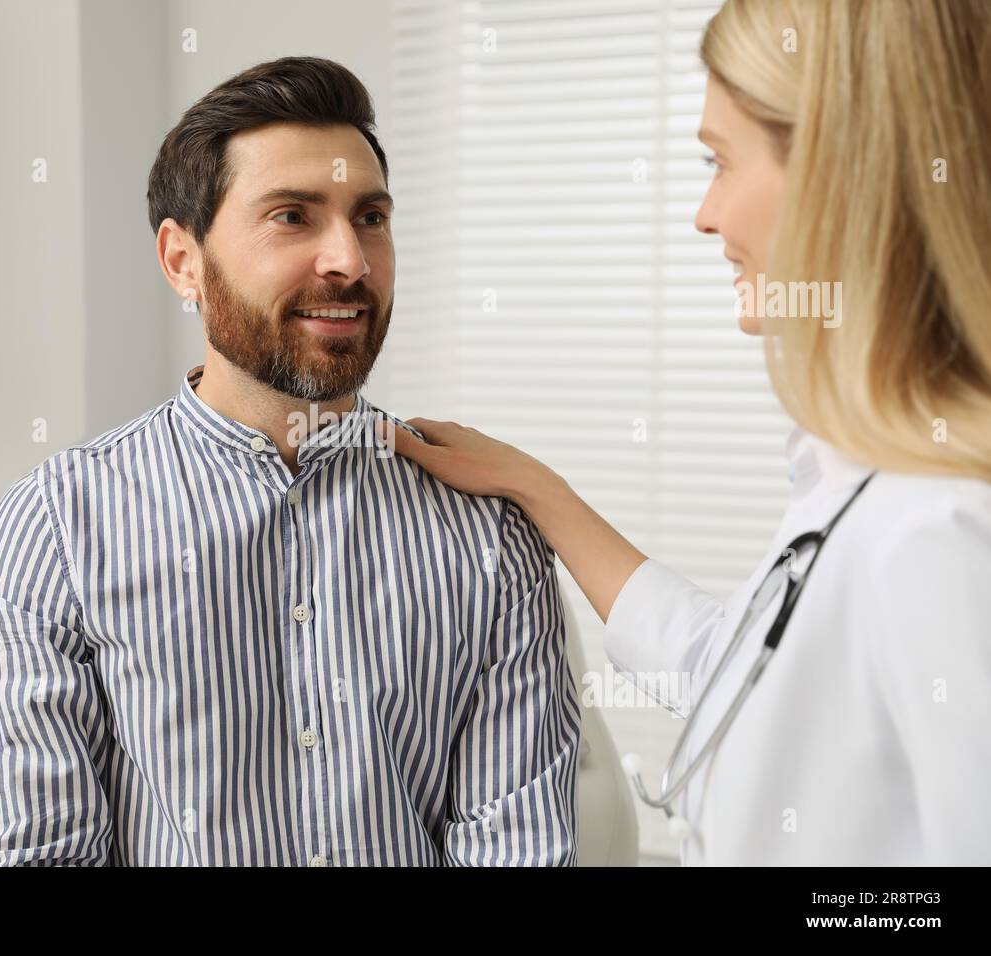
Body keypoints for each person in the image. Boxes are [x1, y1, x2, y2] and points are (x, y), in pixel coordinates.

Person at [380, 0, 991, 865]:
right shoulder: (858, 484)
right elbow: (730, 676)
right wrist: (534, 488)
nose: (706, 215)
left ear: (836, 175)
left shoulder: (943, 528)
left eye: (720, 163)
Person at [0, 57, 580, 866]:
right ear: (183, 261)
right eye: (292, 216)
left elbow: (518, 854)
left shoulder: (488, 532)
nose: (349, 260)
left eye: (372, 218)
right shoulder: (57, 532)